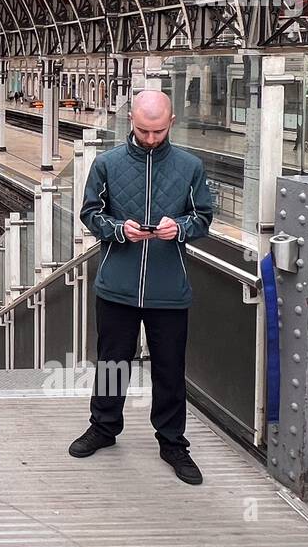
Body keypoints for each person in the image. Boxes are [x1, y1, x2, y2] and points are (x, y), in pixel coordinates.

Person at [72, 90, 215, 485]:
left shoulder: (190, 167)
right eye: (142, 130)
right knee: (113, 361)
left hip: (168, 289)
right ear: (131, 122)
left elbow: (203, 217)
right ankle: (103, 427)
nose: (150, 138)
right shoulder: (107, 164)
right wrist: (119, 230)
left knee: (170, 369)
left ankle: (172, 443)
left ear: (171, 122)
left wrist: (179, 229)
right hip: (117, 285)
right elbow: (90, 212)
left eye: (157, 130)